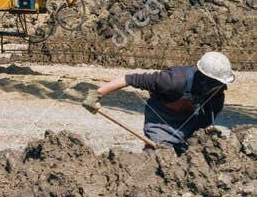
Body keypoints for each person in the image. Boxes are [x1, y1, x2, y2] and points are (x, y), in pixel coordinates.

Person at [95, 50, 235, 153]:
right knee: (158, 157)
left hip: (188, 124)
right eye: (216, 83)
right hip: (160, 121)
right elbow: (130, 79)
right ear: (204, 78)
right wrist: (98, 94)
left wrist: (198, 137)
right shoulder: (173, 80)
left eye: (220, 83)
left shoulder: (216, 92)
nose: (219, 87)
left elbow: (207, 120)